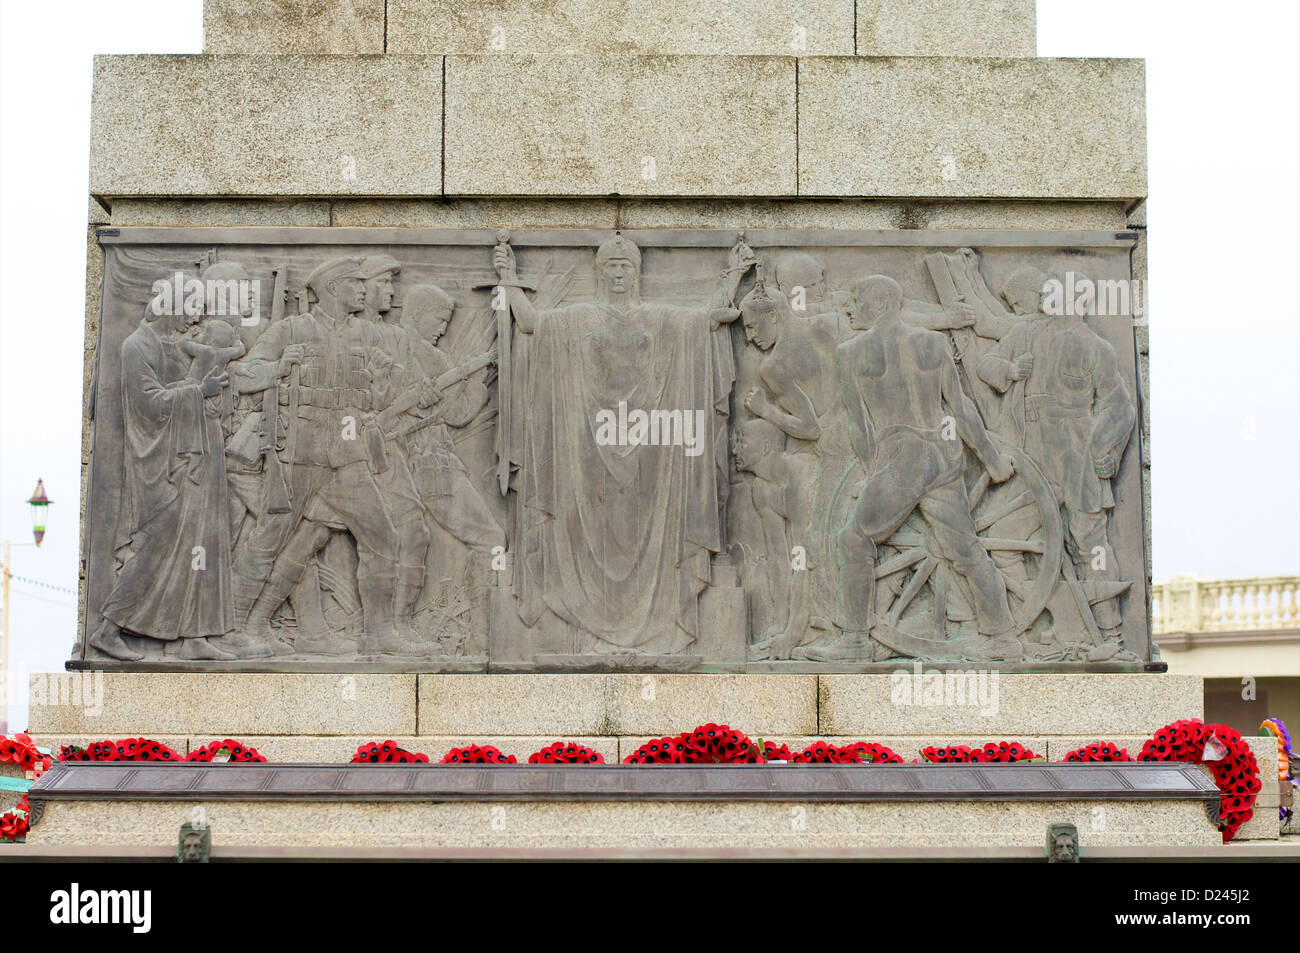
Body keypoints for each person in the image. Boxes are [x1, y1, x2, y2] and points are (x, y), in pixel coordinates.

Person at [493, 232, 740, 654]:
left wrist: (734, 274)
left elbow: (707, 320)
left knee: (646, 527)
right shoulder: (577, 319)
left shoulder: (660, 319)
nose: (619, 273)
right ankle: (586, 629)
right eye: (611, 267)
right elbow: (532, 323)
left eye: (626, 267)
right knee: (588, 528)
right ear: (600, 272)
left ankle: (655, 629)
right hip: (587, 451)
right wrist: (509, 277)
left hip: (650, 451)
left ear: (637, 273)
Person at [819, 275, 1019, 662]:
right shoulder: (933, 342)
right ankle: (1004, 638)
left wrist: (870, 474)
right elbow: (960, 408)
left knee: (854, 539)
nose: (850, 308)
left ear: (877, 303)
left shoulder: (852, 351)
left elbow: (860, 426)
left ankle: (856, 640)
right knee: (965, 548)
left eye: (856, 300)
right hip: (943, 452)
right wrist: (992, 460)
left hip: (902, 455)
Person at [88, 276, 237, 661]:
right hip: (162, 467)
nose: (195, 320)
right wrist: (197, 391)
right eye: (191, 310)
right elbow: (149, 404)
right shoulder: (137, 346)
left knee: (201, 544)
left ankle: (194, 634)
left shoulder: (169, 343)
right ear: (171, 304)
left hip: (191, 459)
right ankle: (108, 628)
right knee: (157, 547)